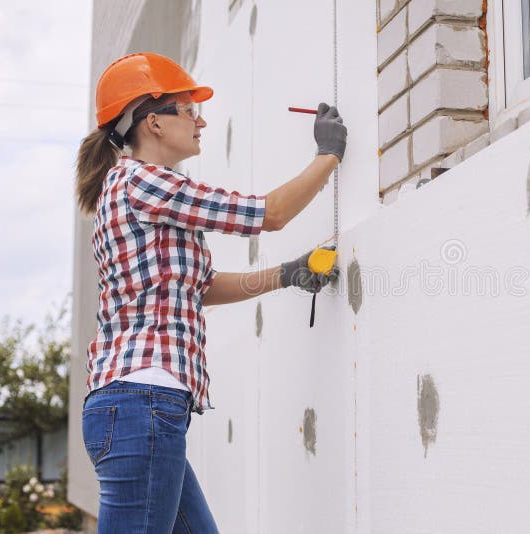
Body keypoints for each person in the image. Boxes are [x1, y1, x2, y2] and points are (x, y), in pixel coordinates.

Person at [75, 51, 346, 533]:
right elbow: (269, 214)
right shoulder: (143, 182)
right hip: (143, 402)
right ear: (154, 121)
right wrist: (329, 155)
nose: (200, 121)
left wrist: (286, 274)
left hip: (140, 408)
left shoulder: (132, 189)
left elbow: (197, 288)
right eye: (189, 109)